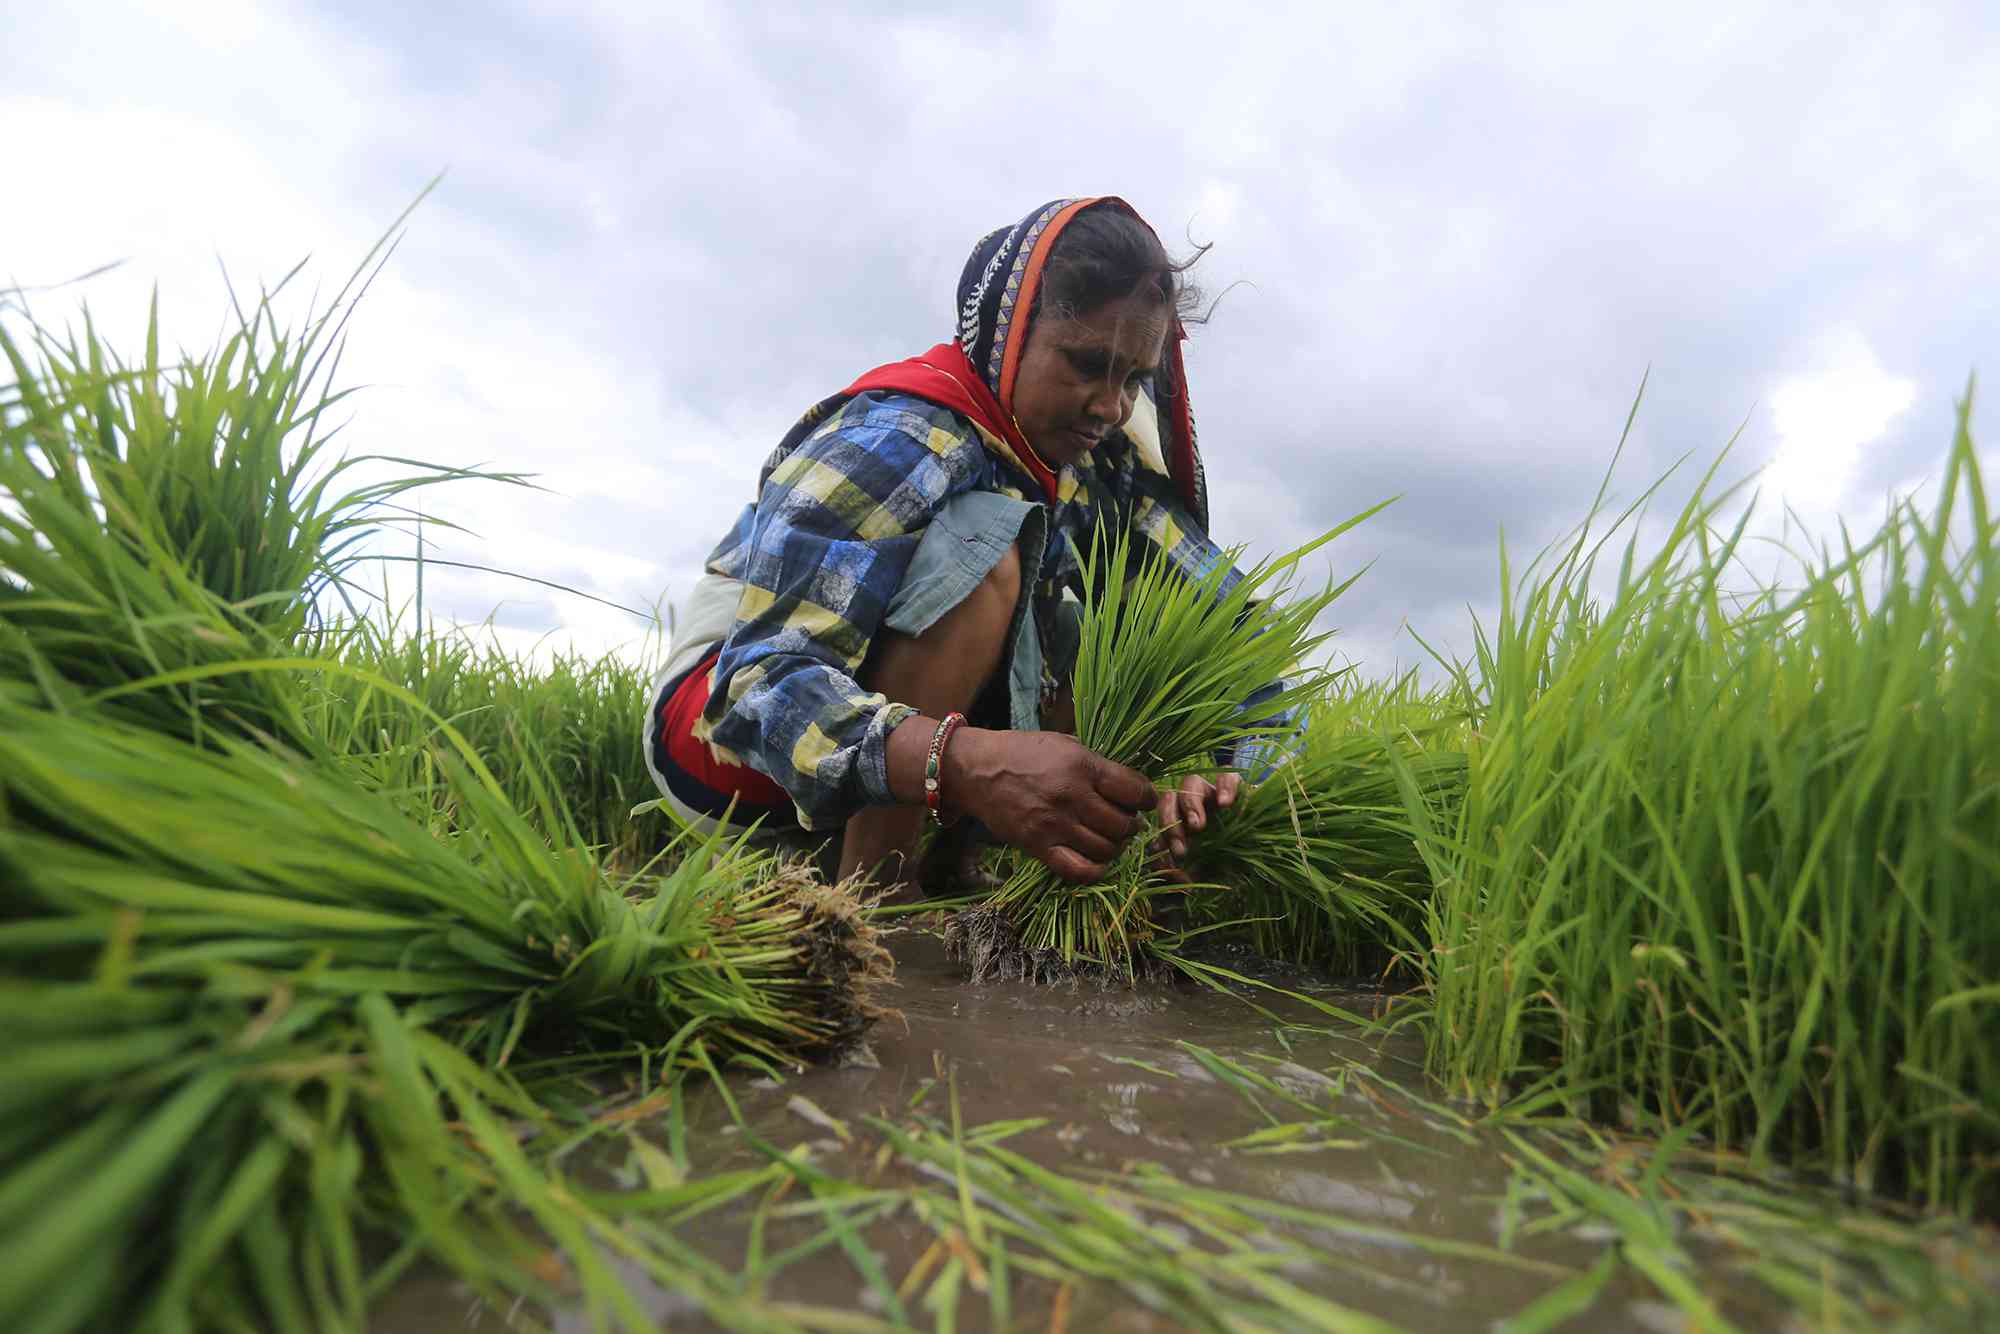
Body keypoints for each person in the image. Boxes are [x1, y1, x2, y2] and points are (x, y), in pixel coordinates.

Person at [645, 196, 1274, 896]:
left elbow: (1241, 643)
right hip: (718, 744)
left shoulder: (1099, 468)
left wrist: (1234, 784)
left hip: (891, 746)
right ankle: (875, 904)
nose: (1110, 406)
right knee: (986, 547)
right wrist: (969, 762)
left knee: (1118, 631)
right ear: (1008, 340)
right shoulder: (903, 439)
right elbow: (759, 689)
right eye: (1086, 364)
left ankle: (978, 871)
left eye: (1132, 379)